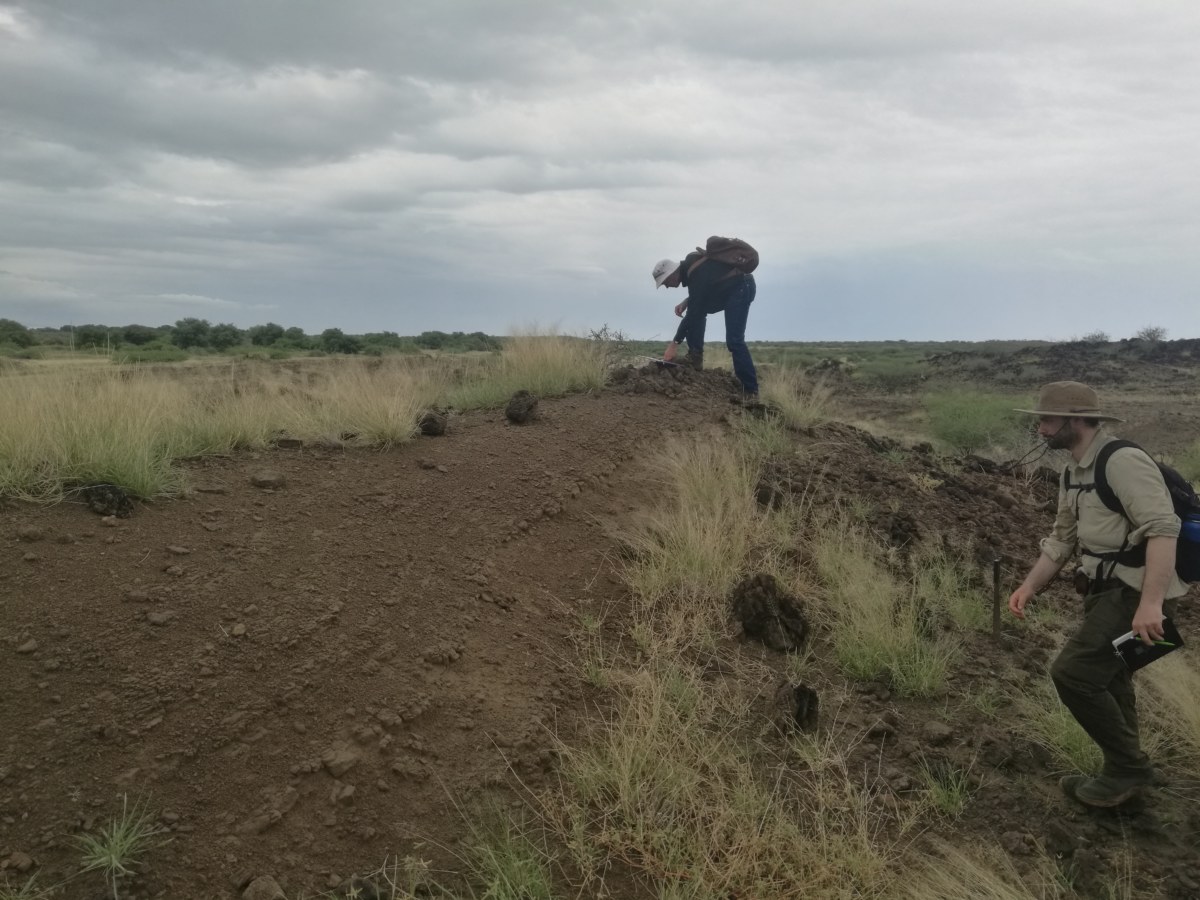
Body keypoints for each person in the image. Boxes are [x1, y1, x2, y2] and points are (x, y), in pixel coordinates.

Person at [1008, 381, 1186, 807]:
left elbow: (1163, 529)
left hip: (1136, 593)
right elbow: (1061, 539)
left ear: (1076, 420)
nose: (1042, 430)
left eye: (1048, 421)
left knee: (1073, 674)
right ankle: (1129, 778)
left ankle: (1127, 770)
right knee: (1112, 676)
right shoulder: (1073, 469)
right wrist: (1029, 586)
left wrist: (1150, 605)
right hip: (1106, 592)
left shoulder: (1121, 461)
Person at [651, 251, 759, 398]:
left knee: (735, 341)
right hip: (730, 289)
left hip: (741, 287)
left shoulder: (695, 271)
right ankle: (695, 357)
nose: (667, 287)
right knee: (697, 313)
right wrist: (688, 301)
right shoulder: (692, 270)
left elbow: (696, 306)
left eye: (665, 282)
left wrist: (674, 344)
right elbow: (706, 288)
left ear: (672, 274)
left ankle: (751, 392)